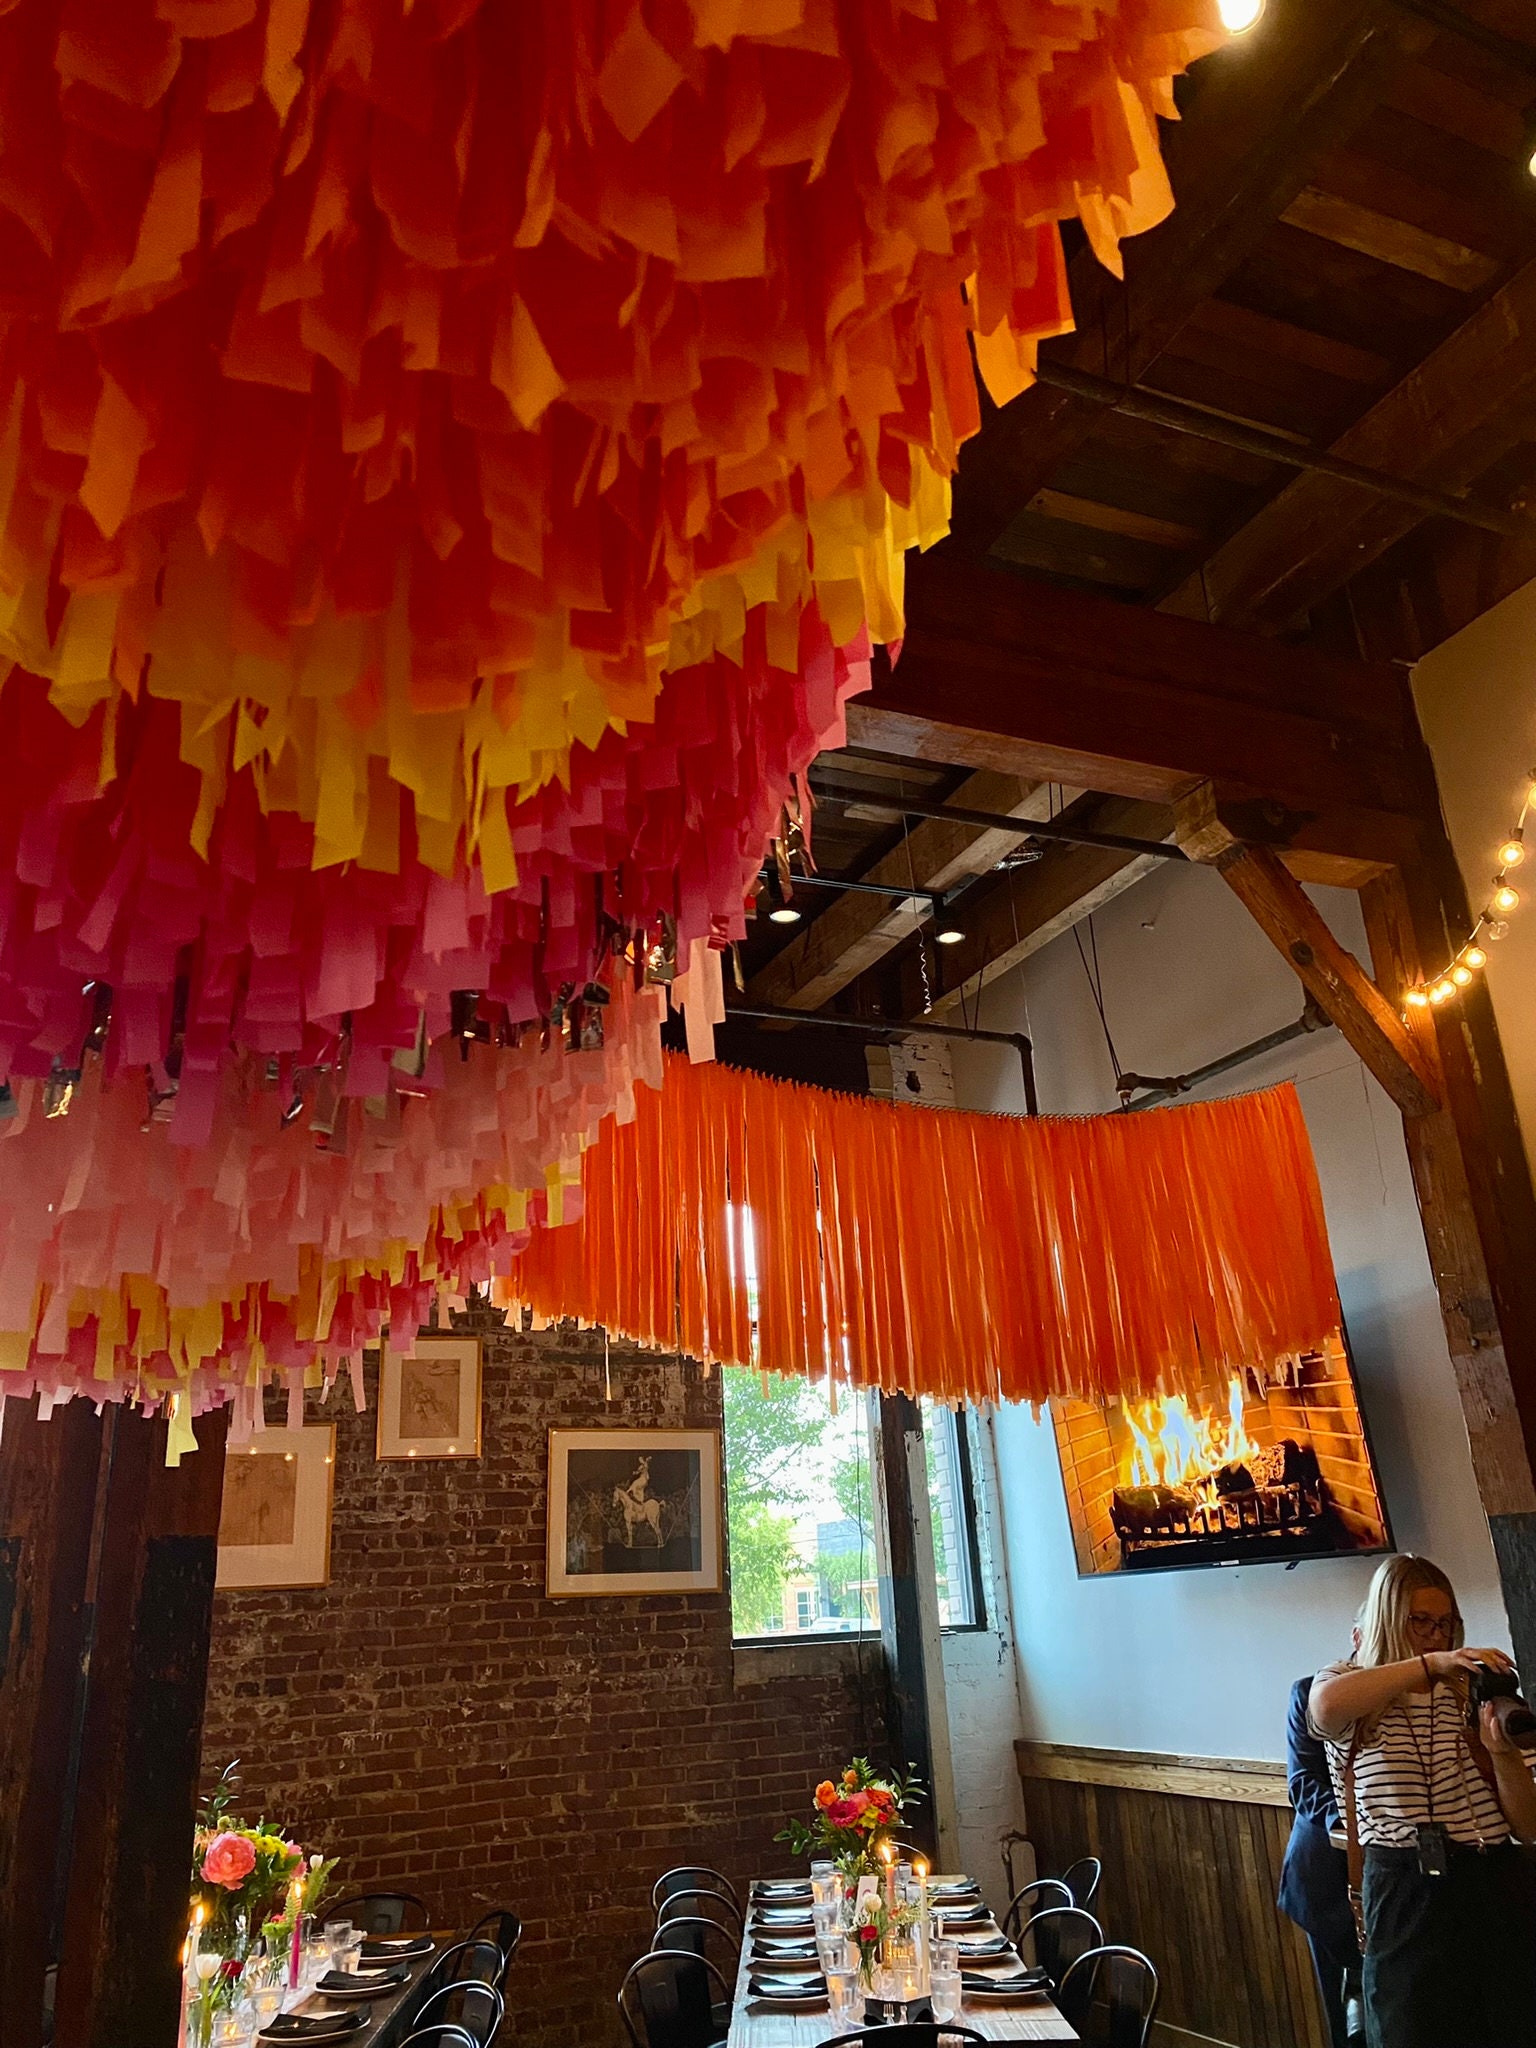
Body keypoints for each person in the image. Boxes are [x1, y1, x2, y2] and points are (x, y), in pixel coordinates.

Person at [1309, 1554, 1536, 2048]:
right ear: (1388, 1617)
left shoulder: (1475, 1691)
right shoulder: (1348, 1682)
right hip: (1401, 1887)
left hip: (1491, 1878)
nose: (1437, 1635)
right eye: (1421, 1622)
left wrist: (1502, 1755)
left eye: (1445, 1623)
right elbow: (1325, 1709)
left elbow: (1528, 1826)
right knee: (1410, 2030)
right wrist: (1429, 1666)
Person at [1279, 1673, 1364, 2047]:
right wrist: (1357, 1819)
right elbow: (1302, 1785)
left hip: (1404, 1882)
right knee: (1347, 2021)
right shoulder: (1311, 1692)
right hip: (1326, 1885)